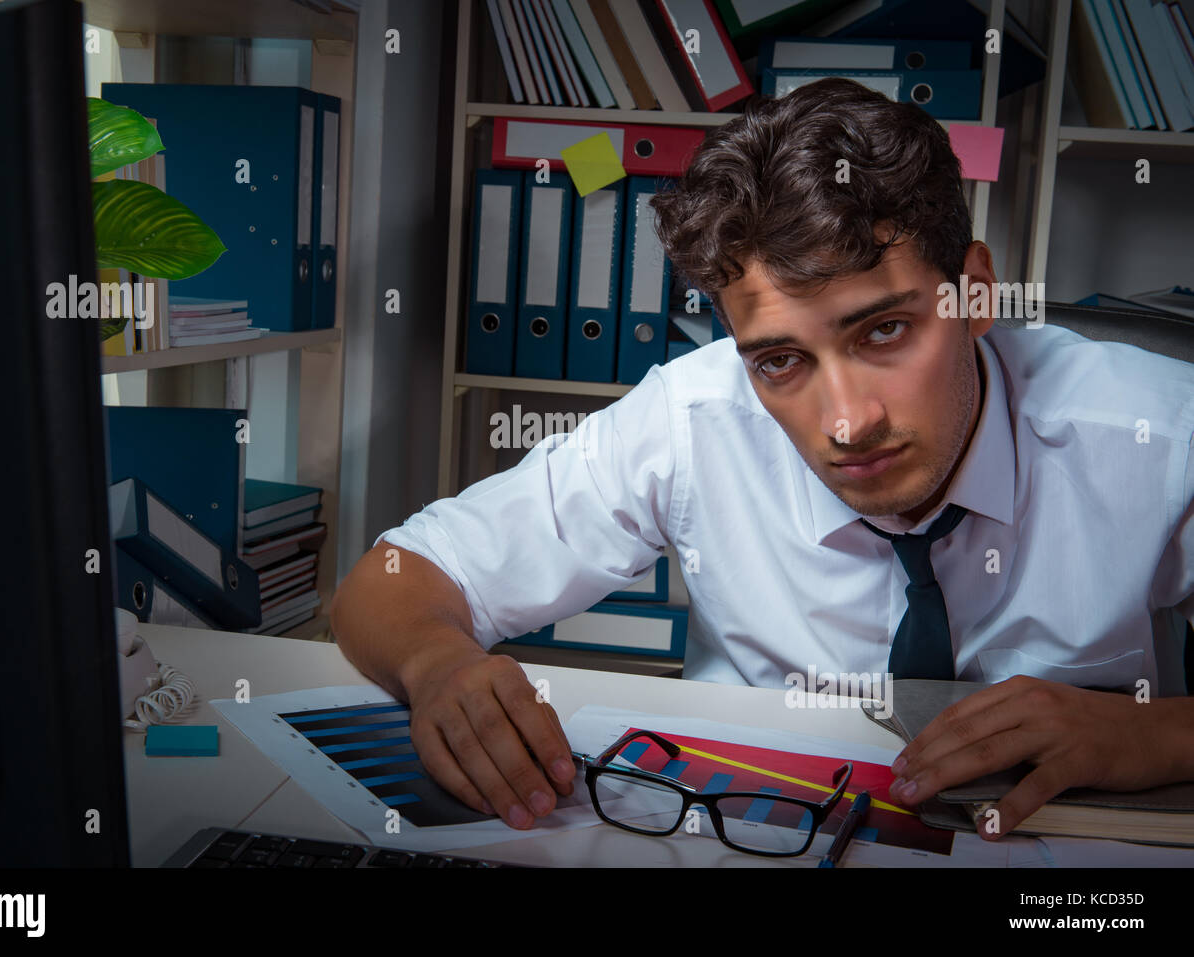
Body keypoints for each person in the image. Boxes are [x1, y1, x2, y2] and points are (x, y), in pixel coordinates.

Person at [330, 78, 1194, 840]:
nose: (848, 422)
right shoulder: (692, 417)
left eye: (884, 330)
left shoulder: (1156, 430)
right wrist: (440, 665)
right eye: (780, 360)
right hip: (739, 832)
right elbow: (391, 578)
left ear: (973, 292)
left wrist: (1150, 735)